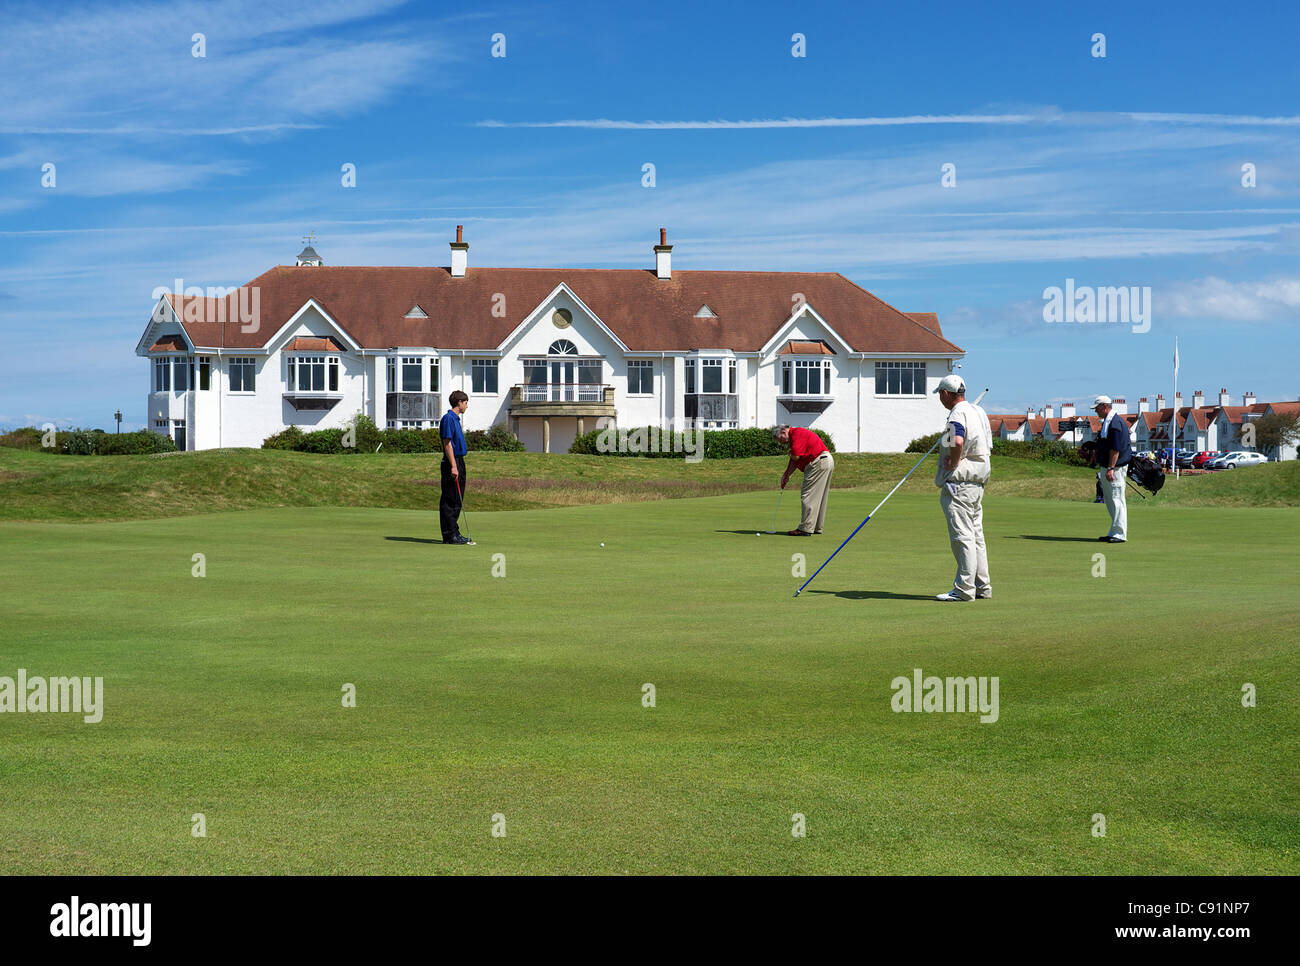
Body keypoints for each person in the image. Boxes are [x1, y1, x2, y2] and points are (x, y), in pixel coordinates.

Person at [933, 375, 992, 601]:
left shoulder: (957, 413)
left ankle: (964, 589)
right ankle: (982, 586)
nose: (940, 398)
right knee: (976, 536)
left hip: (959, 482)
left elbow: (957, 442)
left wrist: (955, 461)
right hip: (977, 482)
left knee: (962, 536)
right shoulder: (979, 412)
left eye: (940, 394)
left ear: (946, 394)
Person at [774, 425, 834, 536]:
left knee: (808, 495)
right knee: (819, 497)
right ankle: (816, 527)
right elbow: (794, 460)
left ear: (783, 431)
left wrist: (790, 454)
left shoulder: (796, 433)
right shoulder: (794, 438)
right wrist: (786, 475)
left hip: (818, 462)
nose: (782, 443)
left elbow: (796, 456)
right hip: (825, 460)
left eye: (781, 439)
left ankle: (805, 528)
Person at [1092, 395, 1130, 543]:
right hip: (1109, 467)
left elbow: (1115, 449)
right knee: (1110, 500)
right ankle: (1114, 531)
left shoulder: (1115, 424)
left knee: (1116, 499)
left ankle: (1120, 533)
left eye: (1097, 408)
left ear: (1104, 406)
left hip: (1116, 468)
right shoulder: (1109, 423)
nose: (1096, 411)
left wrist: (1110, 468)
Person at [439, 391, 475, 545]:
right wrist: (453, 466)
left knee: (457, 500)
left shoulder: (455, 419)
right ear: (459, 402)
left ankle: (454, 532)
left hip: (459, 461)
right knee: (451, 499)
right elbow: (447, 443)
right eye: (466, 402)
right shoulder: (448, 419)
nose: (467, 405)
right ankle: (450, 535)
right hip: (451, 463)